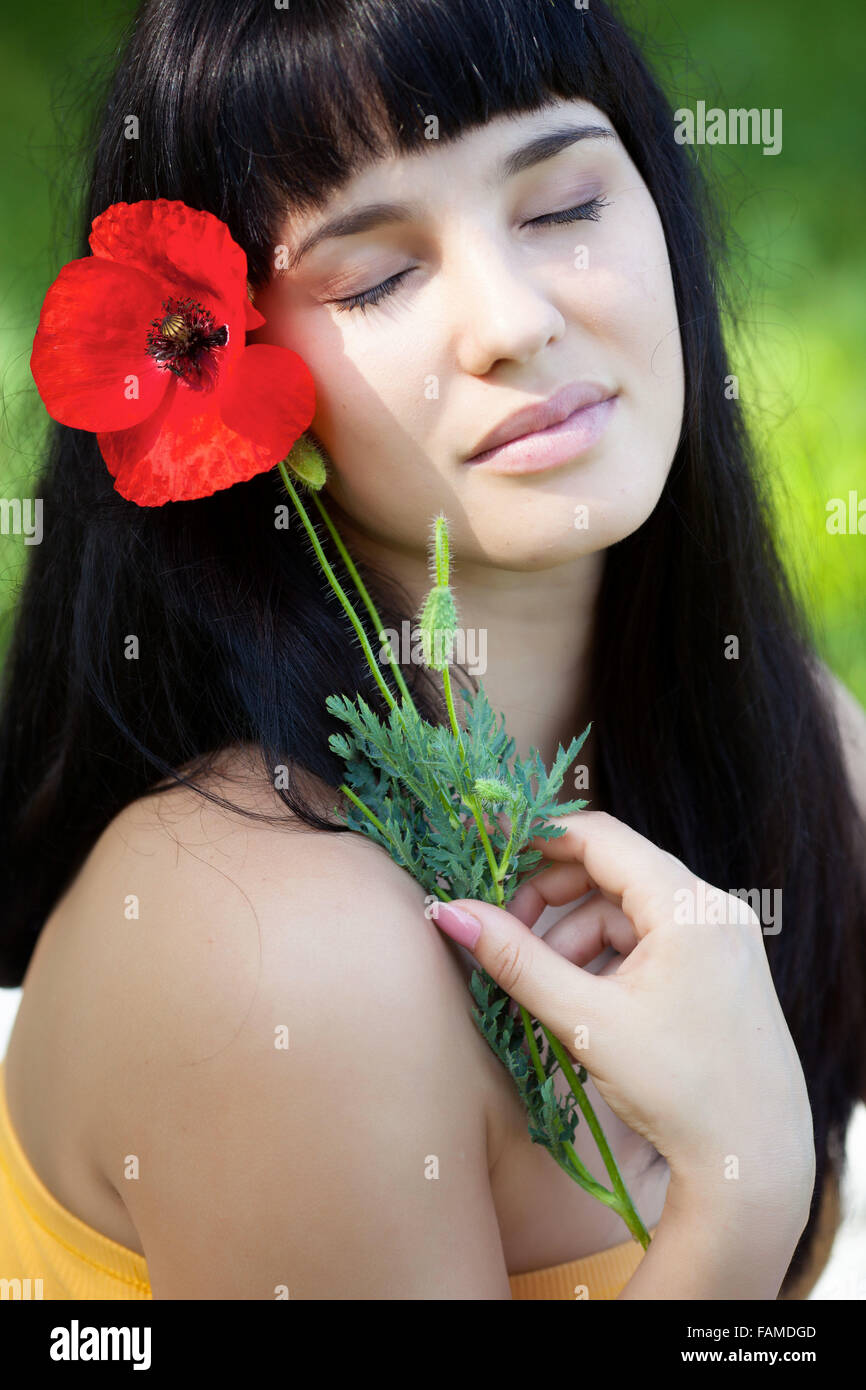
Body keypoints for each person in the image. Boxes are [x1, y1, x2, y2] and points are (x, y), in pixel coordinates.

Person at [0, 0, 864, 1300]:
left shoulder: (801, 740)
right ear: (234, 366)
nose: (510, 319)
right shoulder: (276, 959)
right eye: (373, 277)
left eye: (564, 201)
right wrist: (734, 1206)